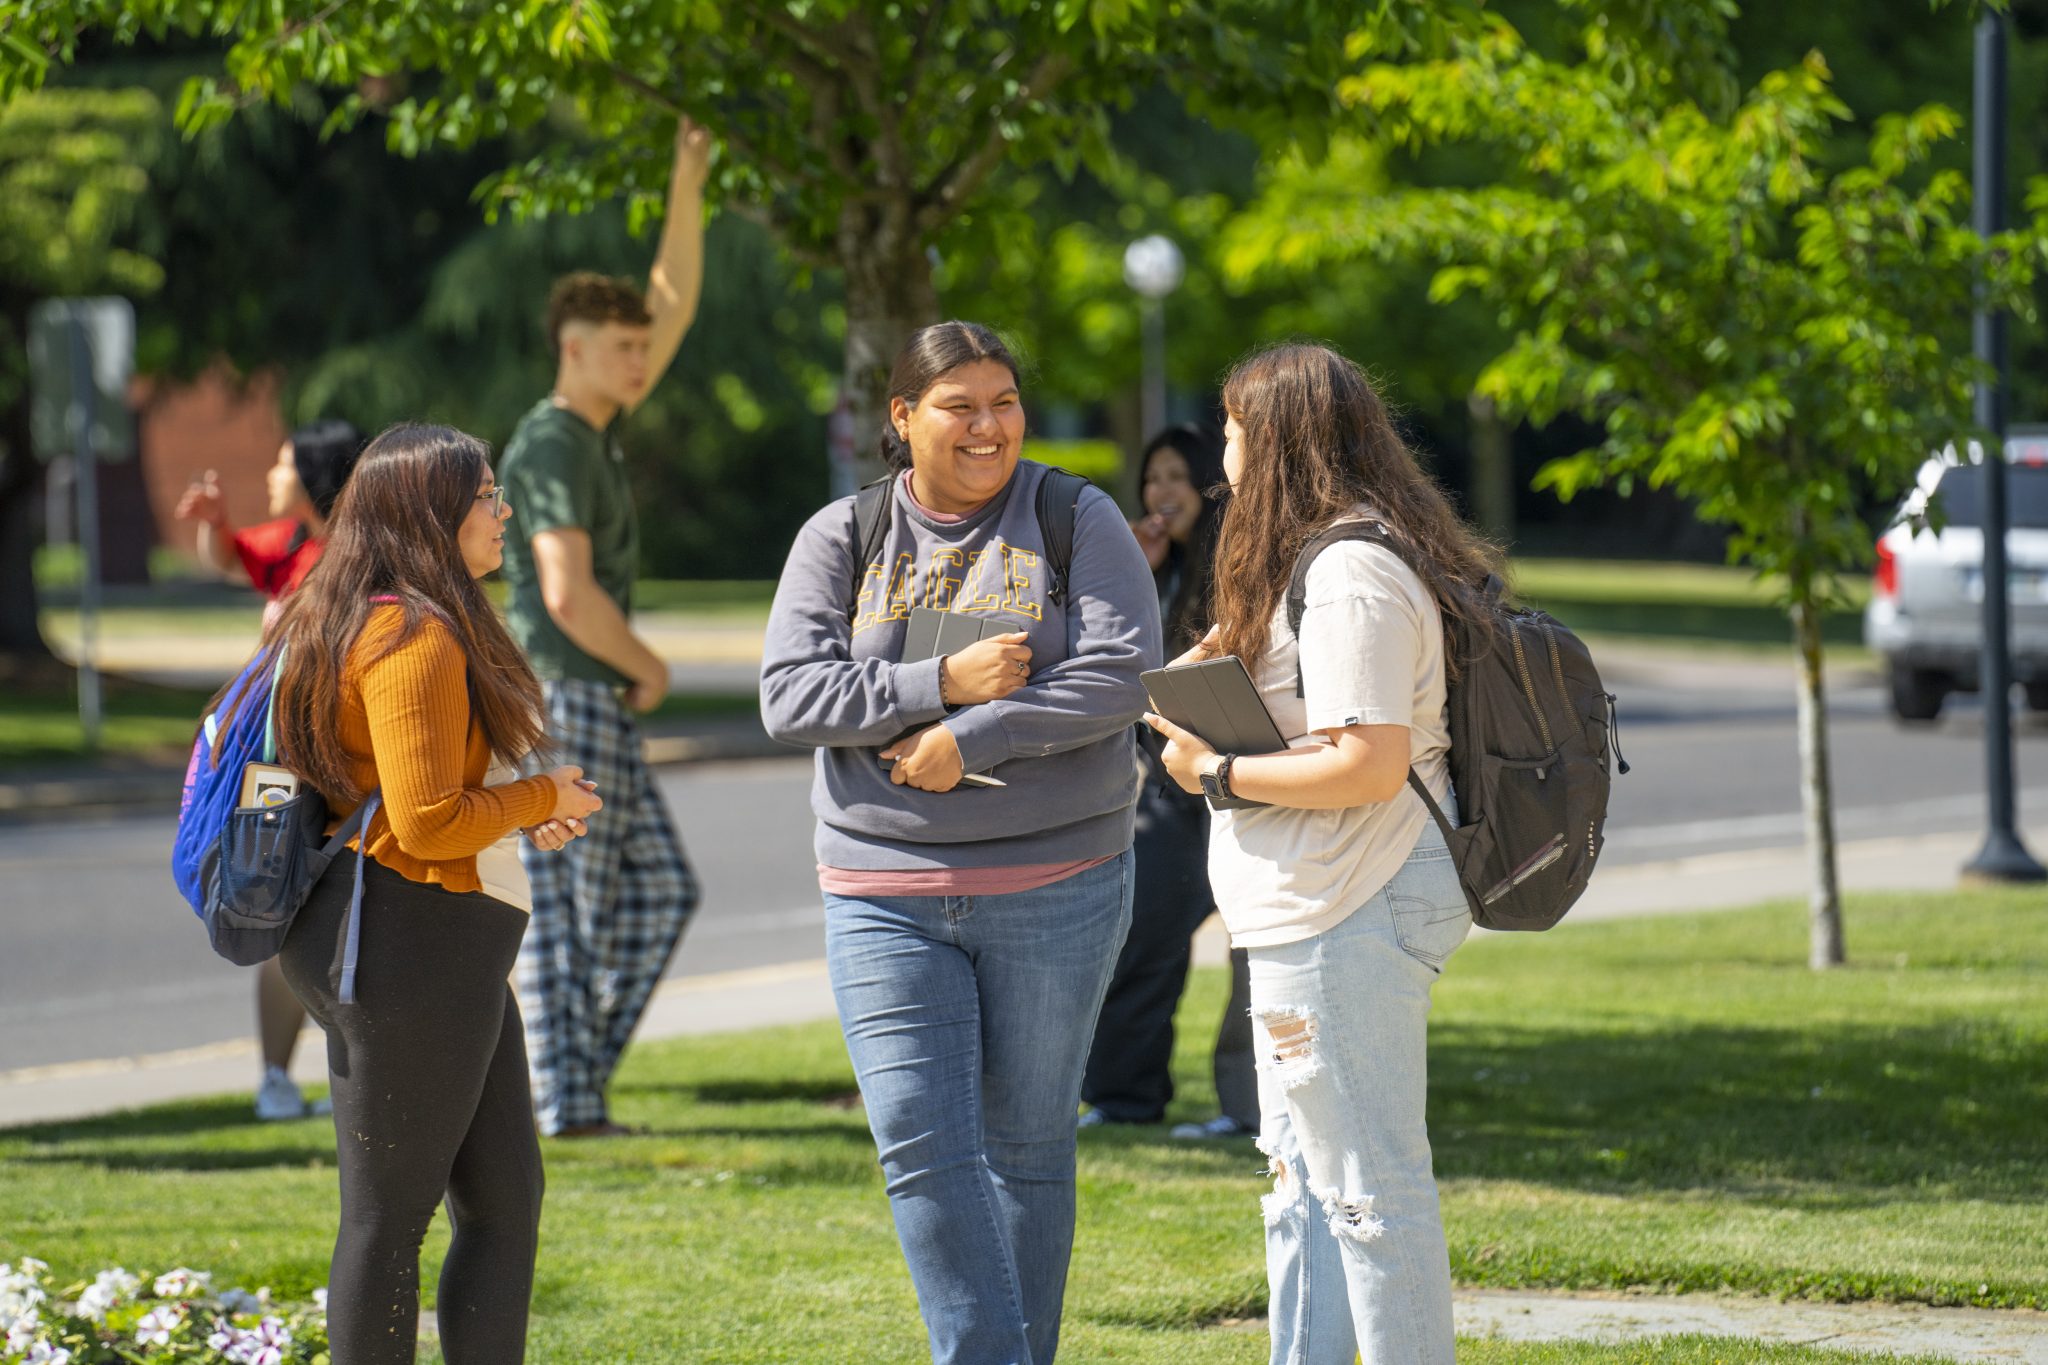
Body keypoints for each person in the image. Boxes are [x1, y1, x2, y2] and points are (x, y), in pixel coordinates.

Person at [759, 321, 1161, 1365]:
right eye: (958, 405)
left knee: (1027, 1149)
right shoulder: (841, 535)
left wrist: (970, 736)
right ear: (901, 419)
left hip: (1058, 881)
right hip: (879, 886)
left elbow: (1120, 676)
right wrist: (936, 684)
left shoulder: (1075, 517)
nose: (988, 427)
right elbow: (788, 695)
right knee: (922, 1149)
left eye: (1004, 402)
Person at [1146, 343, 1497, 1364]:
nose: (1221, 451)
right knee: (1302, 1183)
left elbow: (1367, 764)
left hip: (1352, 905)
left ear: (1279, 437)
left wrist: (1216, 775)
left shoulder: (1348, 574)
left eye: (1231, 427)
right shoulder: (1312, 564)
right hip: (1311, 908)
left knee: (1368, 1191)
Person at [263, 423, 603, 1364]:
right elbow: (424, 821)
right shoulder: (412, 631)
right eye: (487, 495)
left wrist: (520, 813)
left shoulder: (362, 612)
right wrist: (542, 794)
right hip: (412, 941)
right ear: (431, 514)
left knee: (504, 1199)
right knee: (389, 1219)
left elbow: (404, 792)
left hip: (423, 939)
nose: (503, 511)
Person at [497, 118, 712, 1138]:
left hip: (588, 700)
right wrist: (653, 665)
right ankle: (561, 1100)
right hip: (566, 698)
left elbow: (669, 303)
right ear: (572, 348)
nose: (642, 362)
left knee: (657, 893)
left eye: (641, 348)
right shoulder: (550, 440)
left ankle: (563, 1083)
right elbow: (566, 591)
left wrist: (685, 176)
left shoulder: (593, 426)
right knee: (571, 908)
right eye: (622, 350)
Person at [175, 418, 365, 1122]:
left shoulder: (350, 561)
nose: (273, 476)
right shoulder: (290, 544)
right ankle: (278, 1080)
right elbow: (228, 558)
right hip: (278, 769)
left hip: (318, 773)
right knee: (271, 912)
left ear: (315, 476)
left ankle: (331, 1077)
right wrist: (214, 525)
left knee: (303, 918)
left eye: (285, 464)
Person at [1080, 424, 1259, 1140]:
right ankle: (1124, 1095)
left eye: (1176, 479)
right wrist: (1135, 568)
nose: (1161, 493)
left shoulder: (1239, 565)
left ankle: (1249, 1108)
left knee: (1253, 948)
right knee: (1139, 930)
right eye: (1152, 479)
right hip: (1166, 789)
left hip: (1234, 776)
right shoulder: (1156, 567)